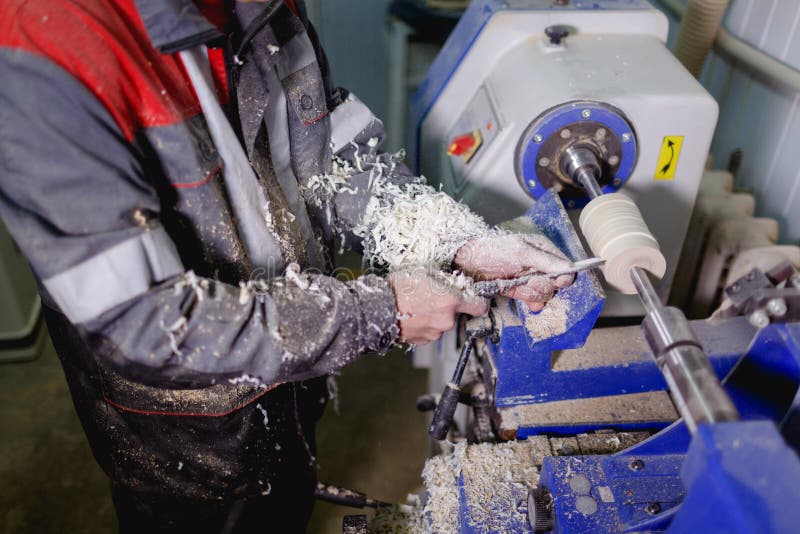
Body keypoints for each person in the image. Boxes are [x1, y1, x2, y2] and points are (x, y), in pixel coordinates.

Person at [0, 0, 574, 531]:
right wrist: (382, 311)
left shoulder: (263, 7)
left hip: (296, 371)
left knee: (282, 508)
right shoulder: (43, 54)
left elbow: (330, 158)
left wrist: (455, 239)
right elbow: (144, 321)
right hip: (189, 438)